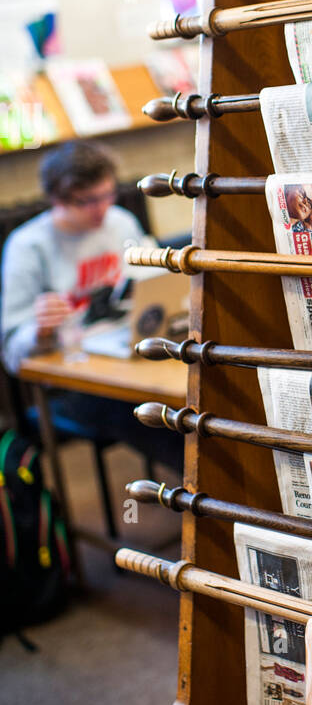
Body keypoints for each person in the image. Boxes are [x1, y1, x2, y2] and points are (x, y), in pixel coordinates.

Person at [0, 139, 182, 473]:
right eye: (88, 201)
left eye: (107, 195)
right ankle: (204, 496)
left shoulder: (120, 221)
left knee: (193, 396)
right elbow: (12, 350)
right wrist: (39, 331)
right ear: (57, 199)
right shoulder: (28, 247)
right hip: (77, 381)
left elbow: (155, 283)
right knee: (165, 424)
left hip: (129, 353)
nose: (102, 208)